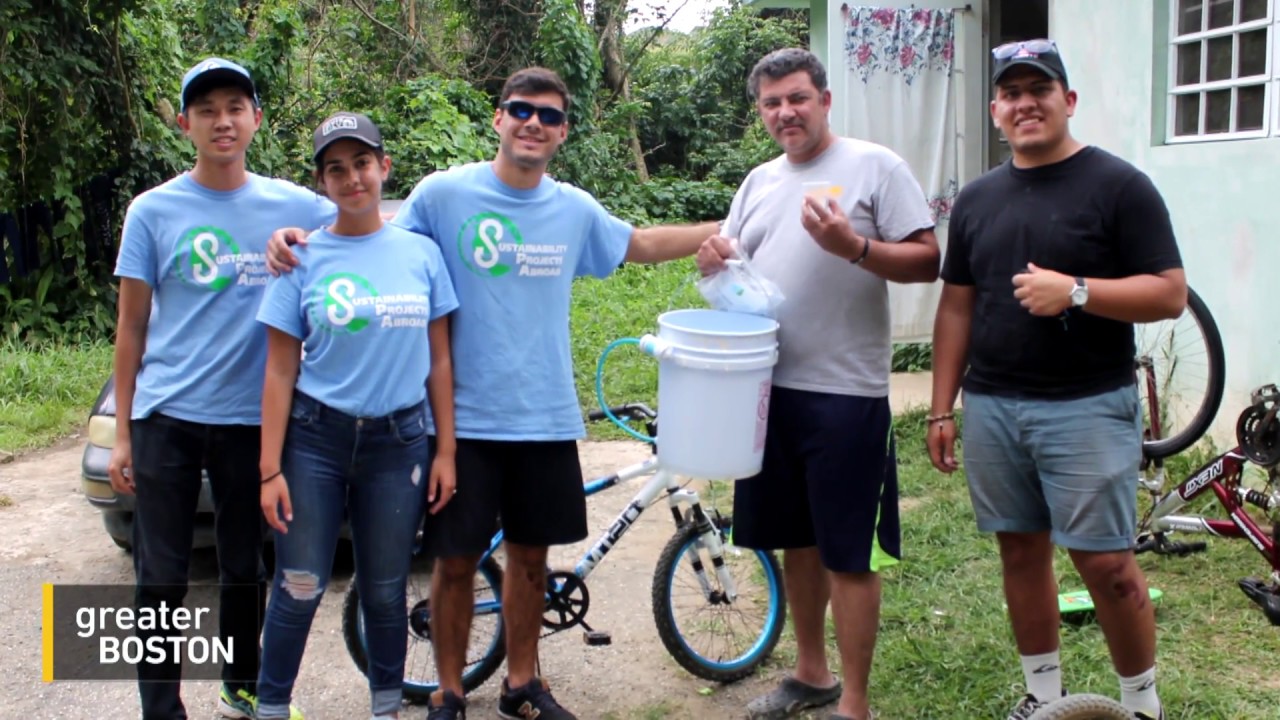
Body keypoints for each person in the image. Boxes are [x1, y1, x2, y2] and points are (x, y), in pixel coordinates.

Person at [264, 67, 719, 720]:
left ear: (563, 132)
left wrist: (730, 225)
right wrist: (292, 233)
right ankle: (449, 691)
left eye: (550, 116)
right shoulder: (445, 194)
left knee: (531, 563)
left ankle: (521, 684)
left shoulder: (573, 209)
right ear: (498, 119)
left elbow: (641, 243)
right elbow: (366, 215)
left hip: (544, 415)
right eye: (521, 110)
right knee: (453, 563)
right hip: (464, 423)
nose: (534, 123)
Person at [926, 39, 1184, 720]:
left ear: (1067, 101)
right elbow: (957, 304)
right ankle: (1042, 698)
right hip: (993, 406)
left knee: (1108, 567)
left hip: (1087, 406)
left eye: (1039, 90)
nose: (1025, 103)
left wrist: (1074, 291)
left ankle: (1141, 707)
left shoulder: (1119, 186)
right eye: (1011, 93)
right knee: (1020, 553)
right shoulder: (978, 199)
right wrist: (940, 407)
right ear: (995, 111)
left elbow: (1168, 294)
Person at [695, 48, 940, 720]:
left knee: (848, 553)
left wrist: (855, 247)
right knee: (796, 540)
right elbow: (730, 273)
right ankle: (811, 673)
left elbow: (927, 259)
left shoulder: (875, 166)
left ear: (825, 100)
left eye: (798, 98)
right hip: (768, 392)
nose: (785, 112)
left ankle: (854, 705)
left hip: (846, 395)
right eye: (772, 103)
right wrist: (711, 261)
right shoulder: (757, 182)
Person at [108, 58, 334, 720]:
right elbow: (130, 327)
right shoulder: (151, 211)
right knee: (161, 572)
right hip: (166, 418)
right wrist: (122, 432)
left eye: (235, 107)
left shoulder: (295, 204)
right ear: (185, 124)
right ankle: (161, 706)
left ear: (256, 119)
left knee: (245, 562)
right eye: (206, 110)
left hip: (251, 420)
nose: (222, 121)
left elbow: (366, 226)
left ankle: (242, 682)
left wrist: (304, 239)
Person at [252, 111, 458, 720]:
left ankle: (386, 708)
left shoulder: (421, 254)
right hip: (314, 439)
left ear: (384, 168)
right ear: (321, 182)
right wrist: (269, 469)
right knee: (298, 587)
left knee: (386, 592)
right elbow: (279, 370)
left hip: (399, 445)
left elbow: (440, 361)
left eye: (362, 163)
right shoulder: (301, 258)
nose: (352, 178)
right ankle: (270, 706)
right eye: (335, 169)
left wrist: (444, 449)